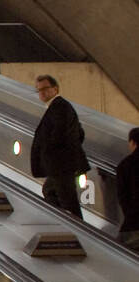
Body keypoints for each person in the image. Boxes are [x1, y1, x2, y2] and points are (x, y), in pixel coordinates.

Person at [30, 74, 90, 220]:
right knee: (51, 191)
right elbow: (79, 132)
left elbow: (60, 134)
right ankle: (63, 222)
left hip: (61, 165)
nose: (42, 93)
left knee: (67, 201)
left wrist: (50, 153)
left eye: (45, 88)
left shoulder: (60, 107)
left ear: (55, 89)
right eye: (39, 90)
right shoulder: (57, 107)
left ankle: (77, 231)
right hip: (60, 165)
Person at [117, 128, 139, 250]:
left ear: (133, 142)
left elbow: (122, 195)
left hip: (133, 220)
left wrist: (129, 214)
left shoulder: (125, 165)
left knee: (121, 250)